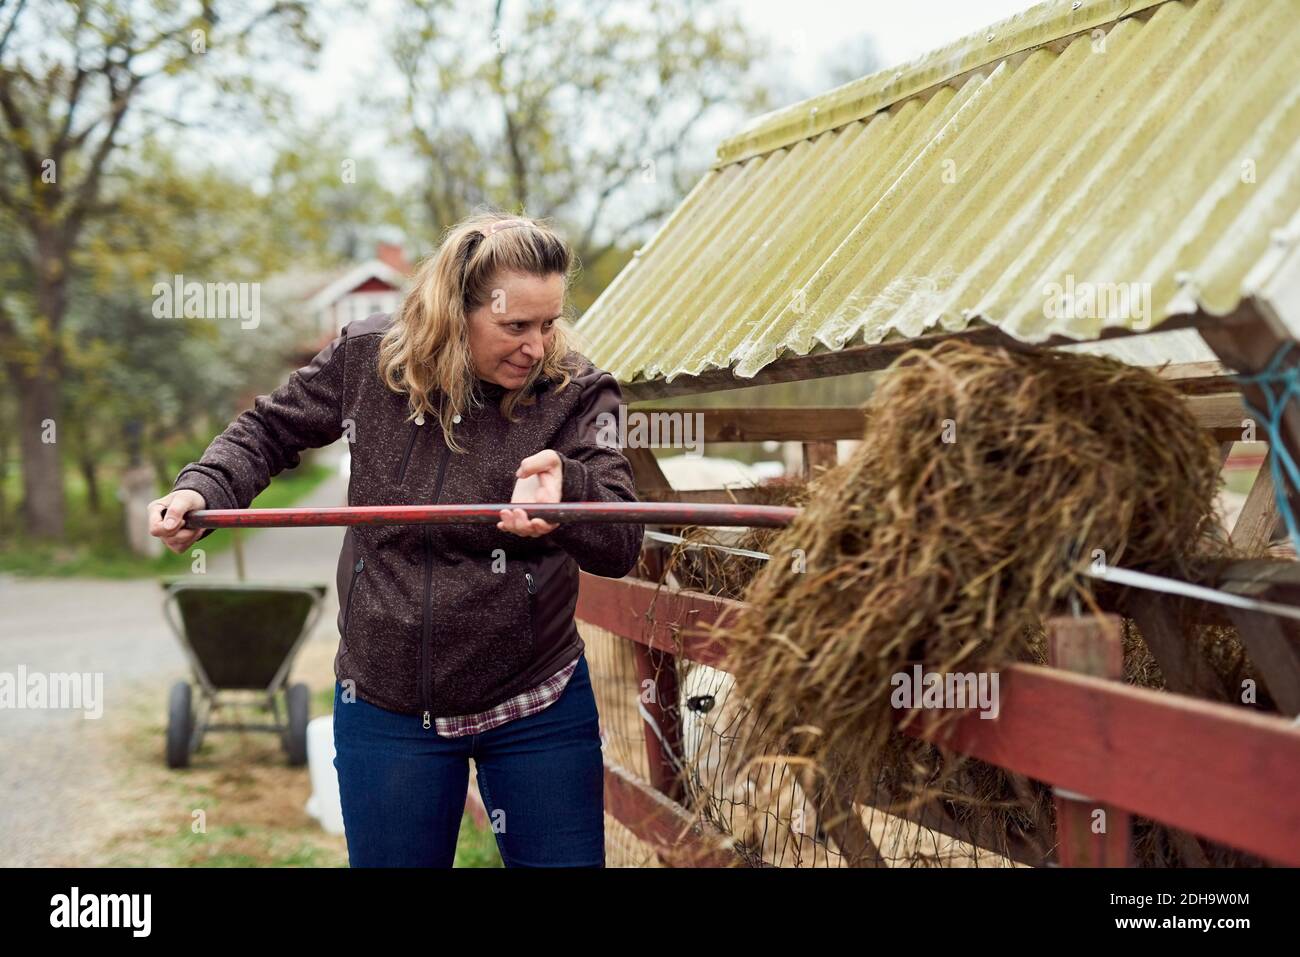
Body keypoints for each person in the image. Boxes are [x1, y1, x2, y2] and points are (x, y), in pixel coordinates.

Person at [148, 213, 645, 867]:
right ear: (454, 311)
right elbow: (270, 430)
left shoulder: (576, 392)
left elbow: (622, 537)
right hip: (387, 698)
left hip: (535, 699)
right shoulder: (368, 360)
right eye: (515, 326)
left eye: (549, 323)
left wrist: (571, 492)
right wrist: (203, 488)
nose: (536, 345)